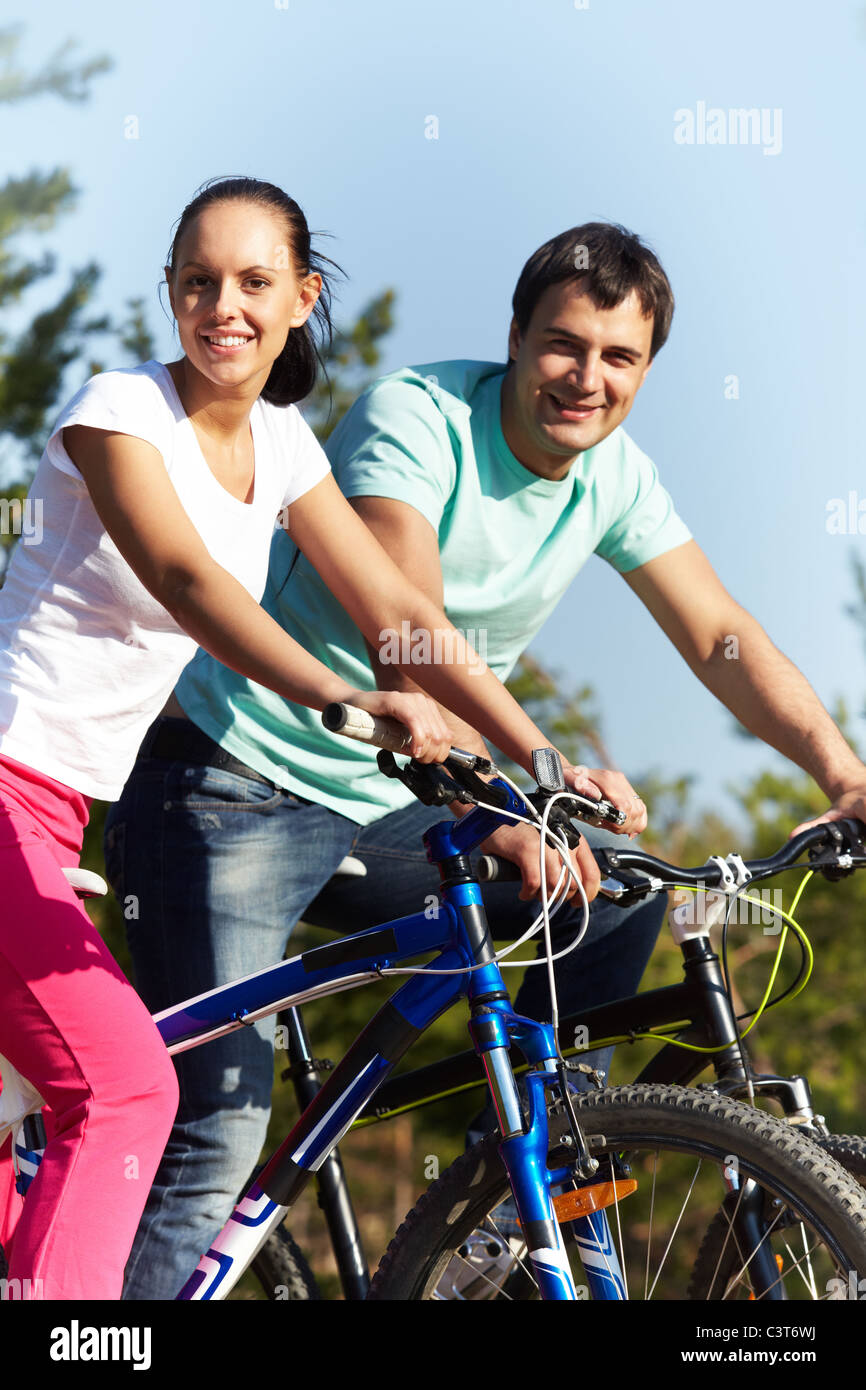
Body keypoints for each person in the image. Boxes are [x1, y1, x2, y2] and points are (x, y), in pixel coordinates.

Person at [111, 218, 866, 1301]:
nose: (585, 379)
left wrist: (840, 775)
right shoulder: (415, 420)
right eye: (562, 345)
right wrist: (522, 783)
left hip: (391, 803)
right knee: (215, 1136)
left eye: (619, 360)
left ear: (646, 371)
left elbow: (716, 636)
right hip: (232, 783)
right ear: (513, 337)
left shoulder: (613, 476)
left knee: (606, 895)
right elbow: (402, 628)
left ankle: (501, 1217)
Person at [0, 178, 622, 1301]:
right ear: (172, 295)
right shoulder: (117, 413)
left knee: (23, 1145)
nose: (220, 307)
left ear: (302, 296)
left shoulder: (283, 447)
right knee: (129, 1091)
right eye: (196, 282)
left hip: (55, 823)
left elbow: (401, 616)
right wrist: (342, 697)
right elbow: (188, 580)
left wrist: (539, 761)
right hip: (6, 793)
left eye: (251, 282)